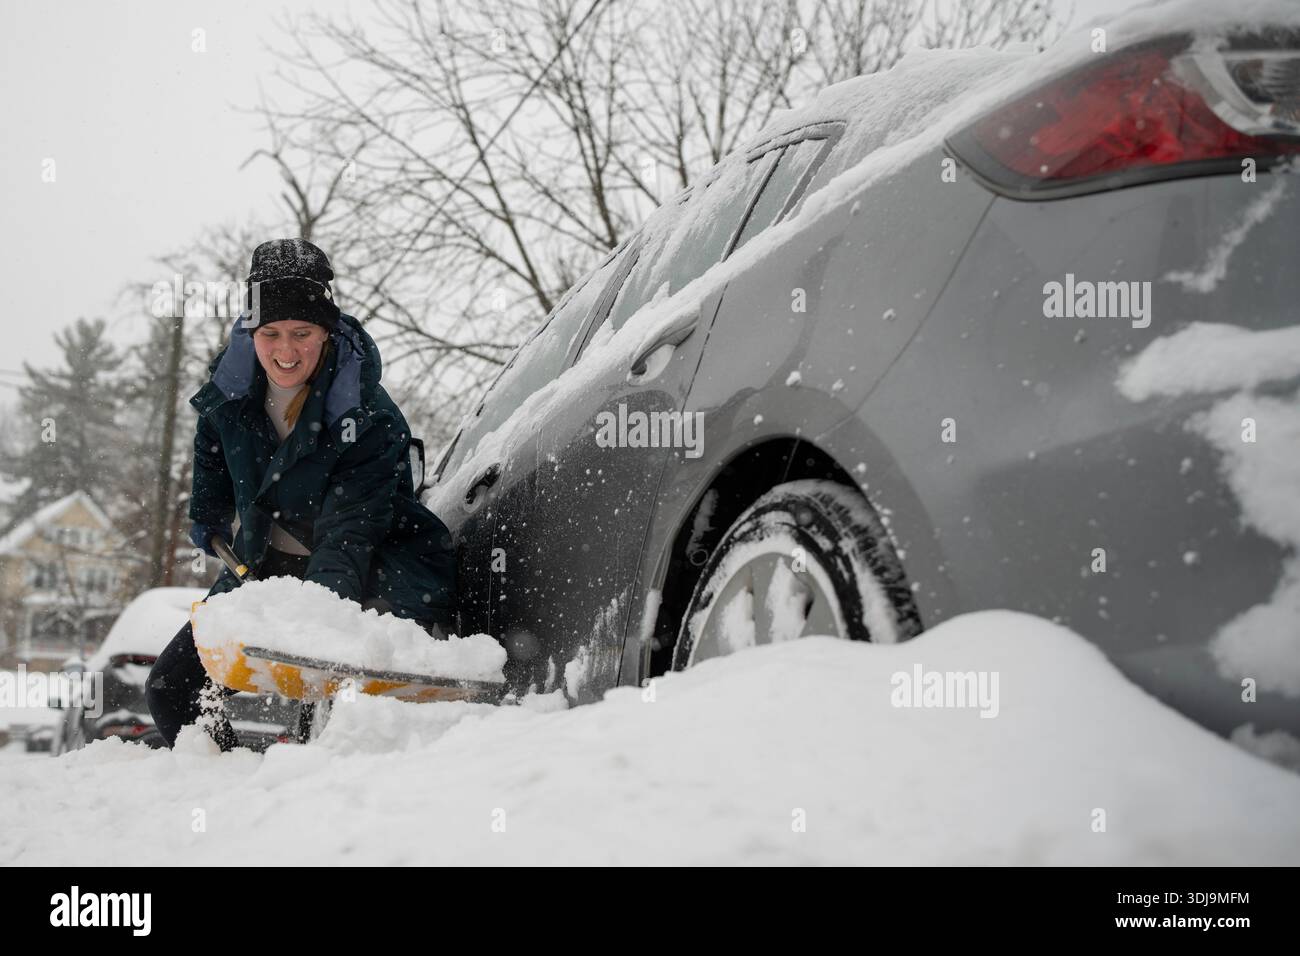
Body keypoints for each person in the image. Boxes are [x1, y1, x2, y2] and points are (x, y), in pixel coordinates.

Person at [146, 238, 456, 750]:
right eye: (271, 333)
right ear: (252, 330)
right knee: (171, 689)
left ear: (326, 330)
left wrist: (315, 627)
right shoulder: (229, 392)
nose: (285, 351)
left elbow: (350, 532)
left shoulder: (366, 414)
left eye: (302, 332)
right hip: (264, 565)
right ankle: (220, 783)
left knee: (343, 709)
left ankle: (317, 803)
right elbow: (211, 456)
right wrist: (207, 515)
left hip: (374, 569)